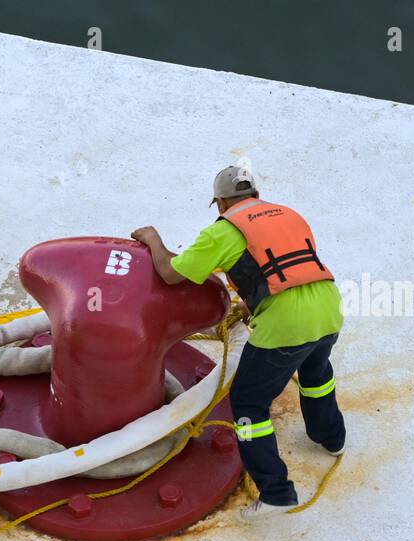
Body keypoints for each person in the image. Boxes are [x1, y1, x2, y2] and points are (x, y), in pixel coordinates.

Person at [132, 165, 346, 520]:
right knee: (316, 373)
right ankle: (332, 438)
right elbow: (287, 268)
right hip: (328, 309)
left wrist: (153, 239)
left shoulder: (224, 230)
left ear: (220, 202)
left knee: (249, 403)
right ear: (256, 196)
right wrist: (253, 302)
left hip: (285, 324)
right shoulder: (288, 215)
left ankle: (276, 492)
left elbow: (170, 273)